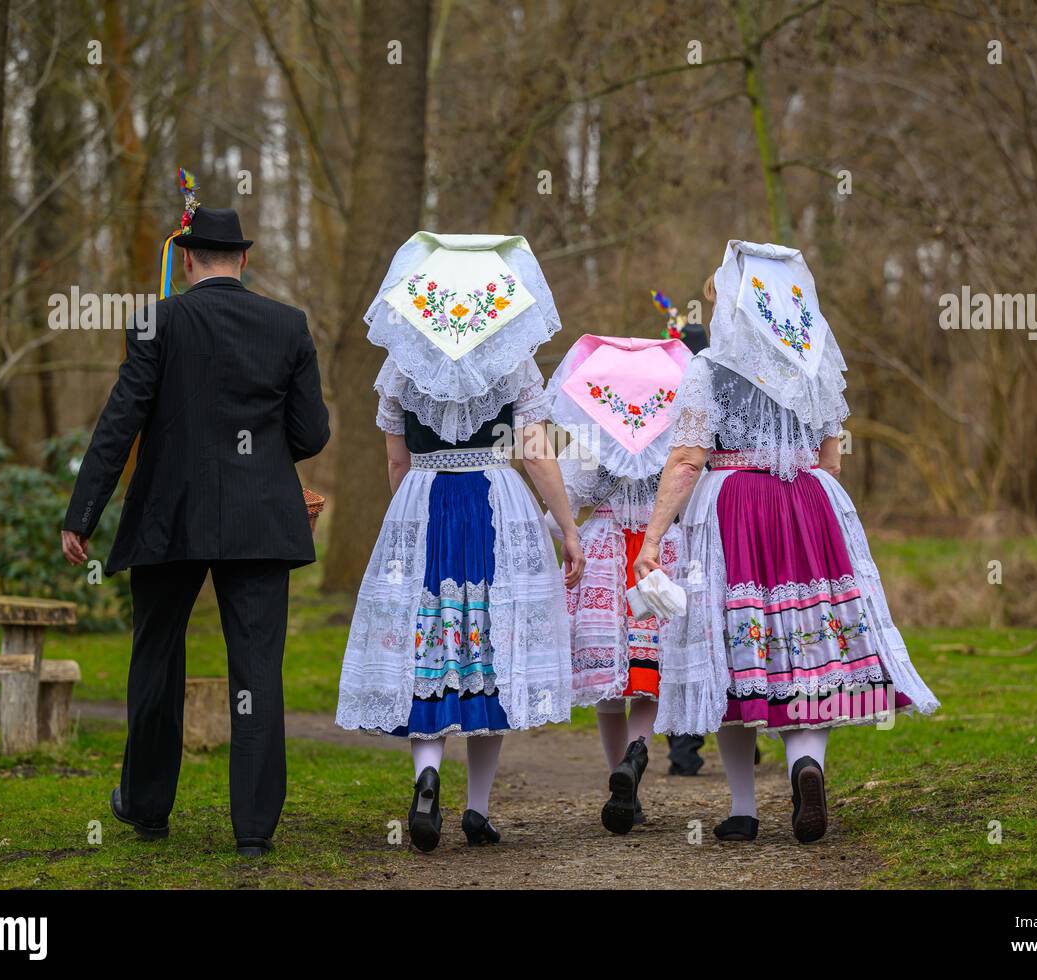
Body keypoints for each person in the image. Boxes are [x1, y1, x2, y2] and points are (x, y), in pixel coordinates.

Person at [636, 241, 939, 844]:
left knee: (735, 651)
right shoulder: (817, 361)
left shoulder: (709, 368)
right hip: (810, 504)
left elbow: (688, 459)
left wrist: (652, 537)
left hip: (735, 510)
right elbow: (831, 456)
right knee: (810, 645)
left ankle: (745, 810)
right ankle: (807, 764)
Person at [61, 206, 330, 857]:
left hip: (167, 516)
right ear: (243, 259)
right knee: (258, 671)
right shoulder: (288, 325)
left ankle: (148, 808)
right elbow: (310, 434)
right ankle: (255, 828)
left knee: (156, 659)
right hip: (260, 518)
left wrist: (83, 513)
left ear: (187, 261)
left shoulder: (159, 319)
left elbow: (120, 419)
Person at [336, 232, 581, 852]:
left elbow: (395, 462)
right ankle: (476, 809)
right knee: (490, 646)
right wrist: (568, 528)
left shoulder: (402, 361)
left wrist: (406, 521)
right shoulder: (516, 359)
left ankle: (425, 778)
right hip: (493, 502)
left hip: (422, 502)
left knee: (430, 639)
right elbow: (535, 453)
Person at [544, 334, 692, 833]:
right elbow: (688, 494)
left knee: (609, 679)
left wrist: (561, 532)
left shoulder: (594, 435)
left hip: (607, 552)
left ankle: (618, 777)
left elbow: (569, 495)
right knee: (650, 669)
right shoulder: (674, 433)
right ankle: (638, 753)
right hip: (659, 551)